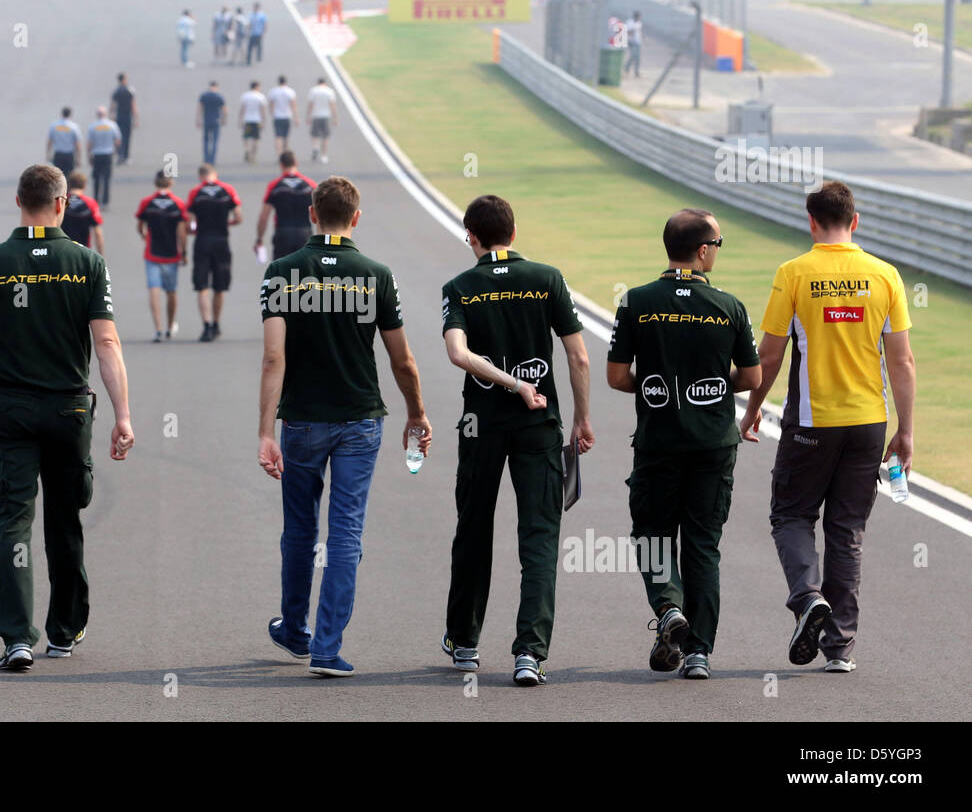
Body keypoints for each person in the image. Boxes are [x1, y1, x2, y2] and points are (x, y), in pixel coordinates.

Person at [0, 163, 133, 671]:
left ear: (18, 201)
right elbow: (106, 342)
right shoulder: (87, 263)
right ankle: (64, 630)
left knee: (13, 519)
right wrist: (123, 414)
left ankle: (16, 636)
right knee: (64, 516)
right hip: (68, 407)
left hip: (10, 405)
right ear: (63, 204)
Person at [739, 181, 916, 675]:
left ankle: (808, 597)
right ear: (854, 221)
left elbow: (769, 356)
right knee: (847, 530)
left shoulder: (793, 273)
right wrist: (906, 431)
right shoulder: (885, 275)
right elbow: (901, 361)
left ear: (811, 221)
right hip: (869, 424)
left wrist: (754, 407)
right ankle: (839, 647)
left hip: (811, 424)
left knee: (792, 515)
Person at [258, 176, 431, 677]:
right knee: (346, 532)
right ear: (356, 218)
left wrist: (266, 431)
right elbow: (403, 361)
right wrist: (417, 413)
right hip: (359, 419)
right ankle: (327, 647)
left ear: (312, 214)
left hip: (303, 421)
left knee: (299, 530)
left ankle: (294, 628)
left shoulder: (282, 271)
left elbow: (274, 357)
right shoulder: (377, 274)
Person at [439, 195, 593, 687]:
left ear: (472, 237)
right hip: (539, 425)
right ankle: (530, 653)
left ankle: (464, 645)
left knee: (474, 529)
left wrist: (506, 384)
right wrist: (582, 420)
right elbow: (579, 357)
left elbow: (458, 355)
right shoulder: (547, 278)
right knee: (540, 539)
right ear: (515, 232)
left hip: (480, 427)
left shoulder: (460, 286)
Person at [606, 208, 761, 681]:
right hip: (714, 443)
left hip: (658, 441)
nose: (717, 250)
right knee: (702, 545)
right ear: (702, 250)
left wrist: (660, 388)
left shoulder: (636, 301)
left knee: (652, 534)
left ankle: (668, 608)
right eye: (718, 243)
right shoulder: (730, 306)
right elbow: (752, 377)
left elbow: (616, 377)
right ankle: (698, 654)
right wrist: (710, 384)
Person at [186, 164, 242, 342]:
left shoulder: (196, 192)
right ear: (215, 174)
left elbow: (190, 222)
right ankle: (217, 323)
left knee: (202, 287)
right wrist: (228, 224)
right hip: (221, 241)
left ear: (200, 176)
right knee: (220, 286)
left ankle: (207, 325)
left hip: (202, 240)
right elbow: (238, 216)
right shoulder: (227, 190)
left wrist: (193, 230)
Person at [135, 171, 187, 342]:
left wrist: (144, 235)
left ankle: (158, 328)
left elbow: (140, 225)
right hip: (171, 254)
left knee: (154, 290)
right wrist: (184, 251)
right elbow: (181, 231)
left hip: (152, 253)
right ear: (170, 183)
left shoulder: (147, 202)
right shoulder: (178, 203)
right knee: (171, 291)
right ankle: (170, 326)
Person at [255, 151, 315, 261]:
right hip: (304, 234)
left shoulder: (275, 185)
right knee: (304, 274)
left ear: (281, 165)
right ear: (296, 163)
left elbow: (264, 216)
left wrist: (259, 239)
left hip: (283, 233)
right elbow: (321, 213)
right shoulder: (310, 185)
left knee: (281, 274)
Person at [61, 171, 106, 254]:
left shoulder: (61, 201)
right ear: (84, 185)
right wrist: (101, 256)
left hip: (63, 250)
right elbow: (98, 233)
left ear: (69, 185)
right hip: (83, 251)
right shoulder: (90, 203)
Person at [87, 106, 122, 208]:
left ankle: (96, 200)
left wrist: (89, 155)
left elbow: (89, 143)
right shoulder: (112, 125)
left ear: (97, 114)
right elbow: (118, 140)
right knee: (106, 178)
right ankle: (105, 201)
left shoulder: (93, 126)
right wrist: (115, 150)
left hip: (97, 155)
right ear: (105, 114)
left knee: (96, 178)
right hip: (108, 154)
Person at [305, 76, 338, 164]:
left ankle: (315, 147)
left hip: (315, 115)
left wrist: (308, 116)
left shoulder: (313, 91)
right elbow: (332, 105)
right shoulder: (329, 91)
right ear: (325, 83)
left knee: (314, 135)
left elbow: (311, 104)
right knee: (325, 137)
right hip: (326, 116)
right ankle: (324, 155)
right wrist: (335, 117)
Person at [45, 107, 81, 179]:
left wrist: (48, 154)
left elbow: (50, 141)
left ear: (62, 114)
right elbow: (77, 143)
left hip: (58, 155)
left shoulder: (54, 125)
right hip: (69, 155)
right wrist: (78, 158)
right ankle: (68, 190)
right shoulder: (74, 127)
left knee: (58, 177)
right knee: (69, 176)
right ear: (70, 114)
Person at [196, 80, 227, 165]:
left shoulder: (204, 96)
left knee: (206, 140)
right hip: (216, 121)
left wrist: (198, 120)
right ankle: (212, 159)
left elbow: (200, 108)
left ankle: (206, 159)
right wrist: (224, 120)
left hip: (206, 120)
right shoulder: (219, 97)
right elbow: (224, 110)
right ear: (216, 87)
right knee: (215, 141)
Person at [239, 81, 270, 164]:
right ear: (256, 87)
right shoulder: (260, 96)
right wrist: (264, 120)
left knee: (246, 137)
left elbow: (242, 108)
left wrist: (240, 119)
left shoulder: (245, 96)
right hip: (257, 120)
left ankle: (247, 150)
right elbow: (262, 110)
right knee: (256, 139)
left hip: (247, 119)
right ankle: (253, 155)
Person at [109, 74, 137, 165]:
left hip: (119, 116)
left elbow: (113, 105)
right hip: (126, 116)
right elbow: (133, 104)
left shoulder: (116, 91)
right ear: (125, 79)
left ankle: (121, 155)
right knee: (126, 136)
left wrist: (111, 116)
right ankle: (125, 156)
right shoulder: (130, 90)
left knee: (120, 136)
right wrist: (135, 118)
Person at [267, 75, 297, 155]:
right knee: (286, 137)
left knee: (278, 137)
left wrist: (272, 113)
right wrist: (296, 117)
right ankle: (285, 154)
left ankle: (279, 154)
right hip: (287, 116)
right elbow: (293, 105)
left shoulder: (273, 91)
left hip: (277, 116)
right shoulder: (290, 91)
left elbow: (271, 105)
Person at [625, 11, 643, 78]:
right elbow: (627, 32)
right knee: (633, 55)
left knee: (637, 58)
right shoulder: (630, 22)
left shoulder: (639, 23)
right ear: (635, 16)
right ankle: (626, 68)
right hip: (631, 42)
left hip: (638, 42)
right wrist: (633, 30)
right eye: (639, 17)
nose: (639, 18)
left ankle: (636, 72)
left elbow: (639, 32)